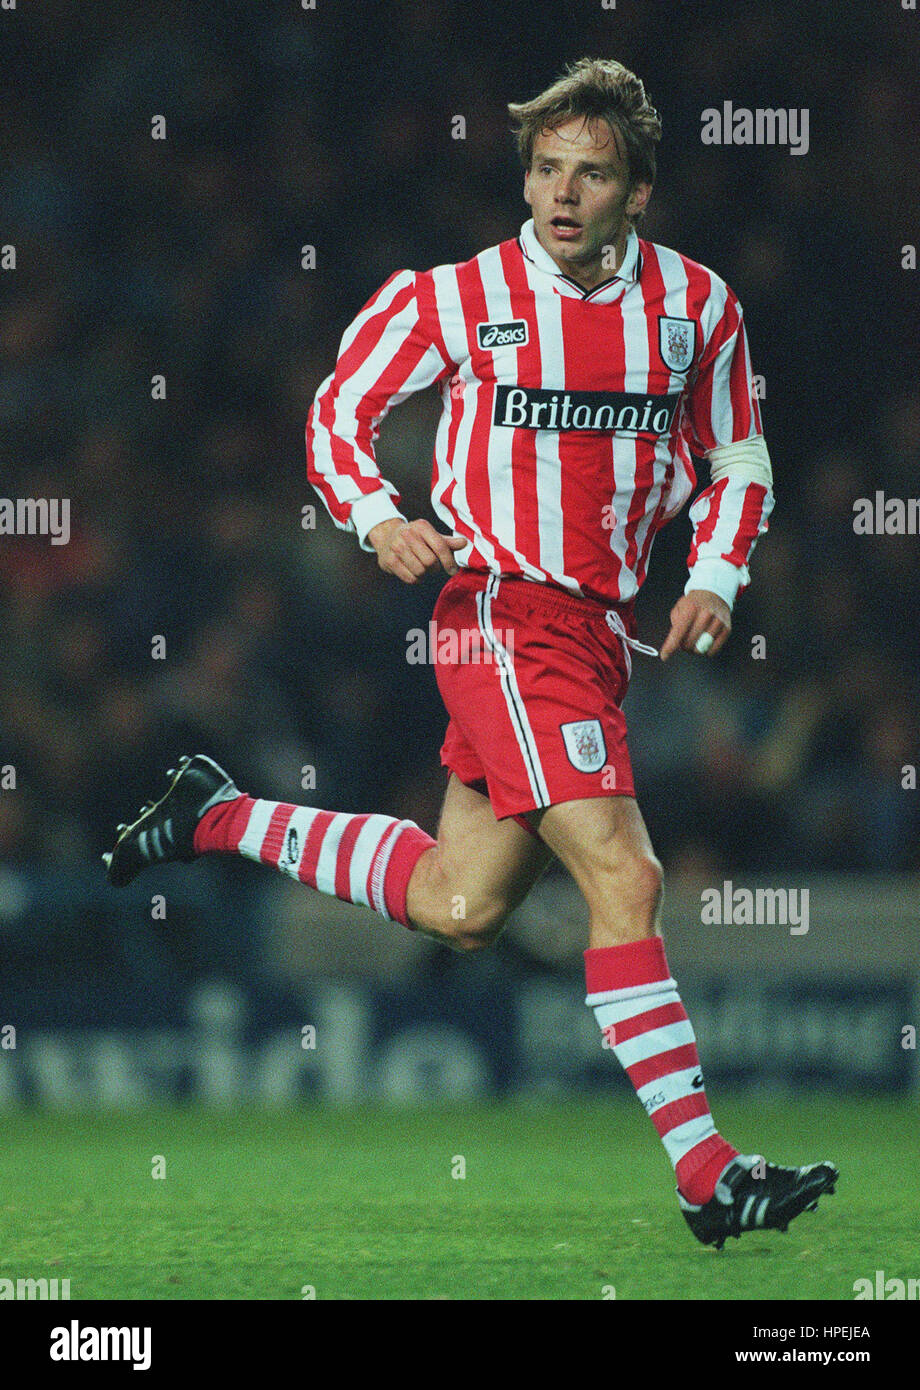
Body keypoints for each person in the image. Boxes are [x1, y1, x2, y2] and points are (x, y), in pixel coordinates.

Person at [105, 58, 836, 1248]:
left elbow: (738, 457)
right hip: (499, 611)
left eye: (590, 172)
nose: (561, 192)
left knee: (460, 905)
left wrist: (712, 574)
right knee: (626, 876)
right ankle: (708, 1173)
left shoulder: (697, 308)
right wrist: (374, 513)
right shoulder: (456, 296)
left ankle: (217, 816)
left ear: (635, 189)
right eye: (546, 167)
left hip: (596, 633)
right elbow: (335, 411)